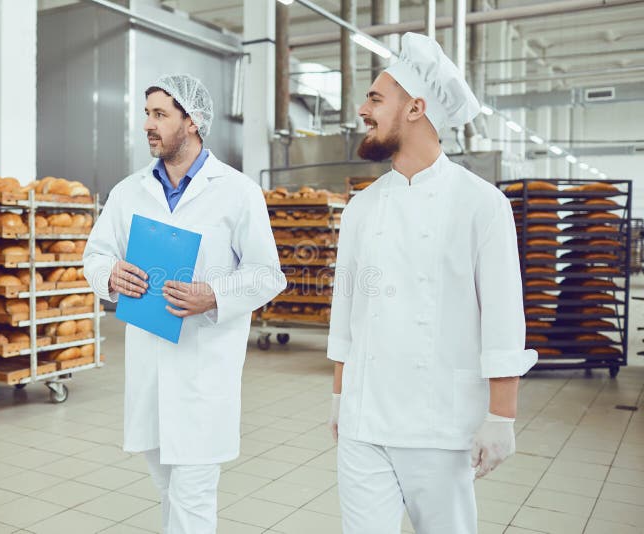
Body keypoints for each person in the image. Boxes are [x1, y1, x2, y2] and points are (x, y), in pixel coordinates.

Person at [327, 33, 538, 534]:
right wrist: (340, 397)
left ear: (416, 108)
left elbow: (504, 317)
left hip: (440, 425)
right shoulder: (362, 206)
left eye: (376, 99)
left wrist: (501, 416)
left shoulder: (481, 204)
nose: (362, 109)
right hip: (363, 421)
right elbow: (347, 310)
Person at [83, 74, 285, 534]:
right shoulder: (129, 191)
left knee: (192, 498)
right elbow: (95, 255)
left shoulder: (237, 192)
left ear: (192, 122)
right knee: (167, 490)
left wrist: (213, 295)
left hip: (203, 370)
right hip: (149, 370)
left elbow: (267, 274)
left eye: (160, 115)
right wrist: (109, 274)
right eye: (146, 115)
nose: (148, 125)